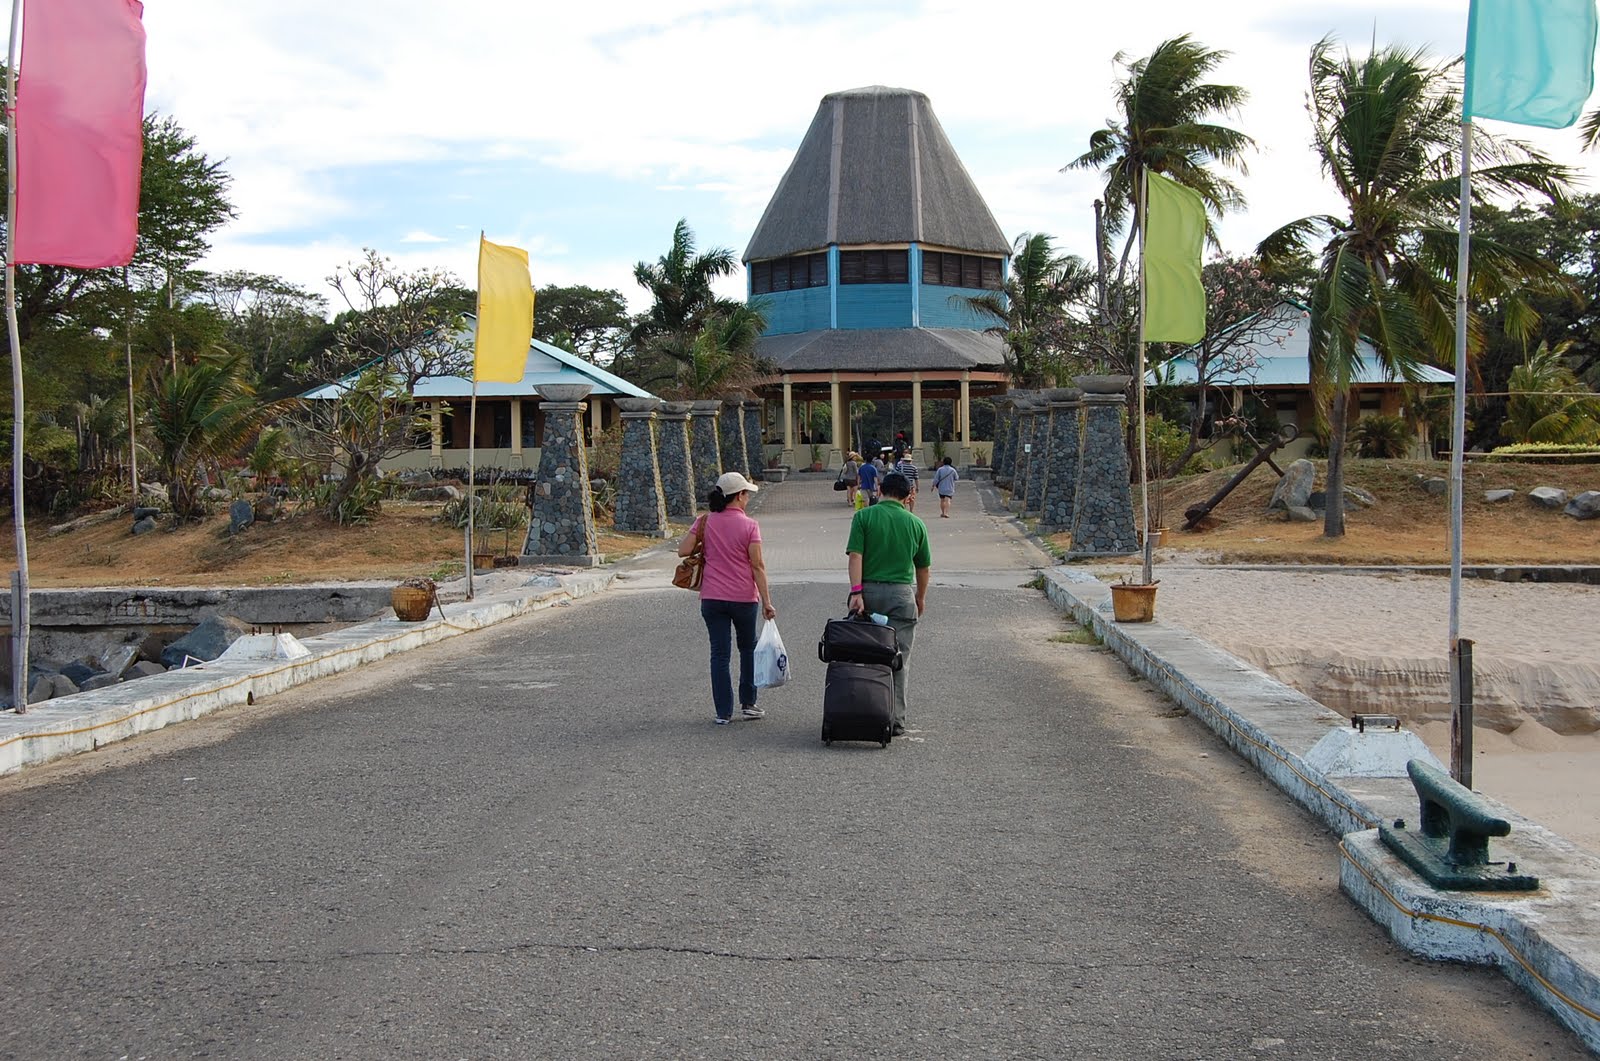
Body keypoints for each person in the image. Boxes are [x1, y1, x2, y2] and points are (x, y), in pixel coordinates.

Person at [678, 471, 777, 725]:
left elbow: (684, 550)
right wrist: (767, 601)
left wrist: (707, 544)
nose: (747, 499)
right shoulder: (750, 525)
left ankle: (723, 712)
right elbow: (758, 565)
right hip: (744, 598)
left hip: (712, 597)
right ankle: (748, 704)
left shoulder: (705, 521)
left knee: (719, 654)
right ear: (740, 496)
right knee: (747, 649)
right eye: (746, 494)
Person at [845, 472, 930, 737]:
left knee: (864, 654)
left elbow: (856, 555)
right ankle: (895, 719)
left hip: (868, 594)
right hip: (901, 595)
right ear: (907, 496)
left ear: (880, 489)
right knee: (899, 659)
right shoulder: (916, 524)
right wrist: (920, 598)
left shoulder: (863, 517)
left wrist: (856, 592)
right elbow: (923, 567)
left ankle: (863, 710)